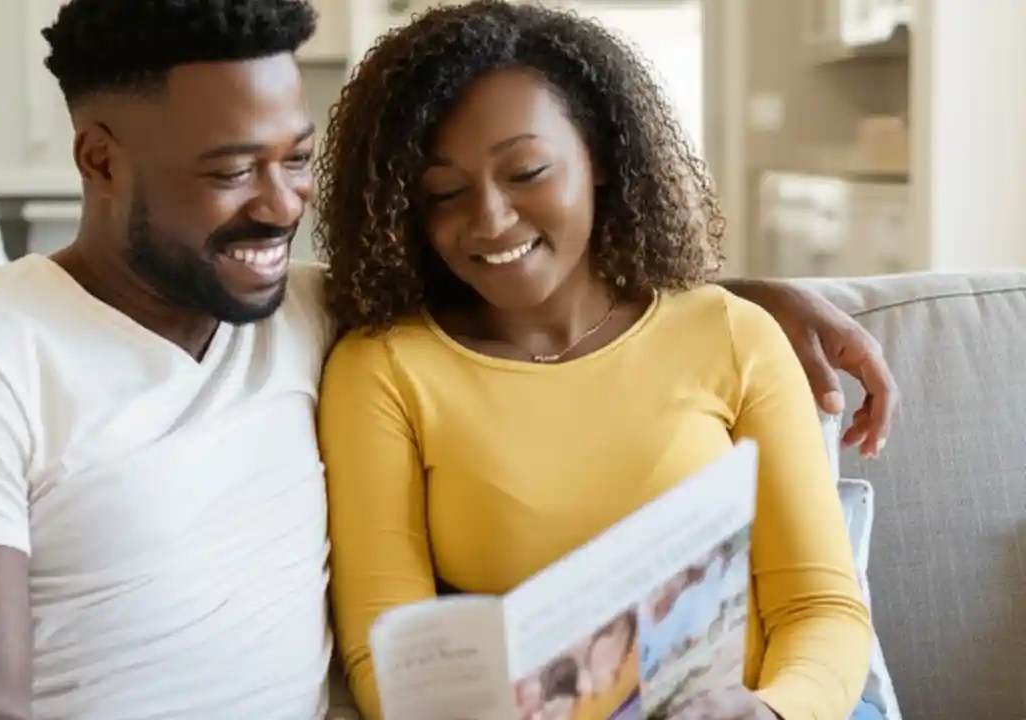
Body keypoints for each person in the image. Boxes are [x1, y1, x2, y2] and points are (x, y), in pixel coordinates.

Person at [0, 2, 891, 719]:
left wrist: (752, 298)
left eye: (295, 160)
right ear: (100, 159)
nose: (280, 206)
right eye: (228, 171)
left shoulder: (299, 310)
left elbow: (572, 307)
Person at [315, 3, 874, 720]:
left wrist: (771, 714)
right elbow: (381, 651)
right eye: (445, 193)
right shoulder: (386, 370)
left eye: (527, 171)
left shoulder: (732, 335)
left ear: (600, 159)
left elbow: (821, 605)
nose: (488, 219)